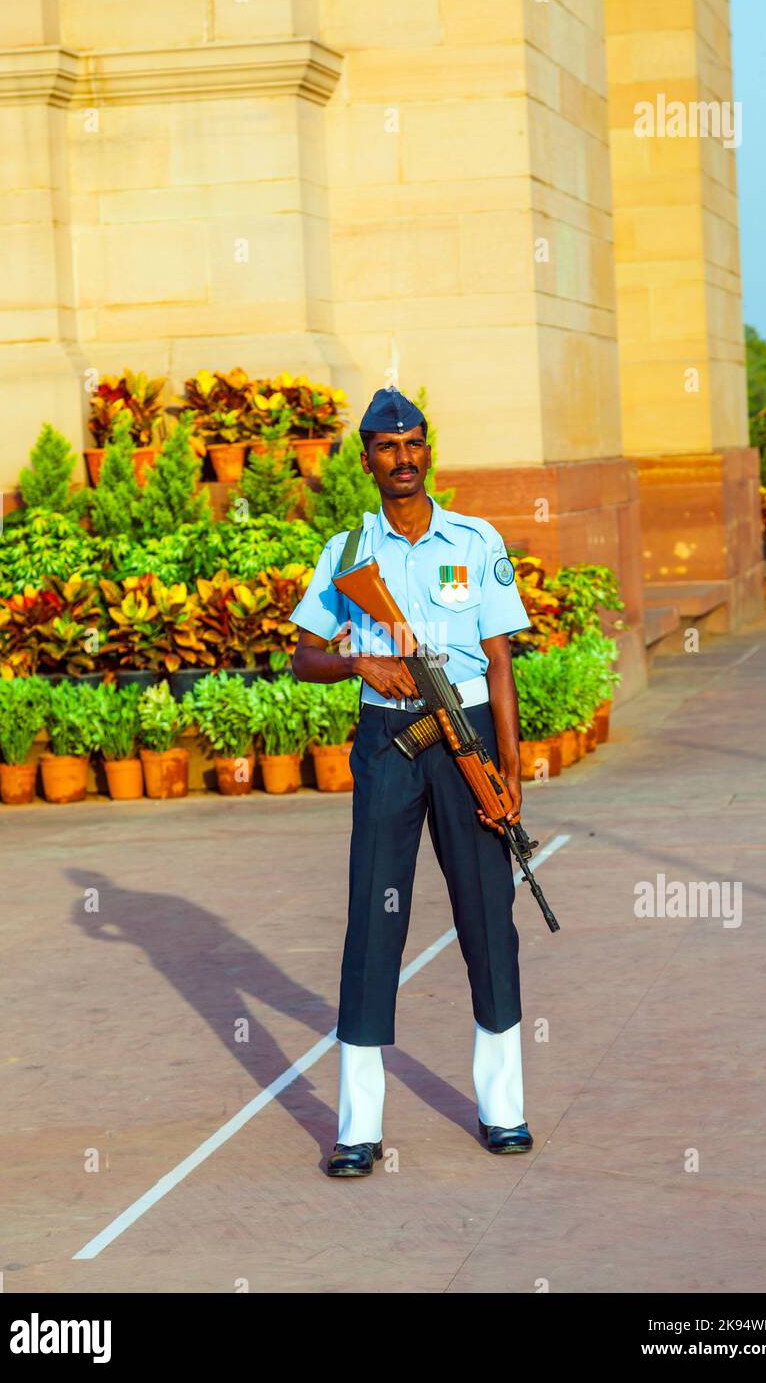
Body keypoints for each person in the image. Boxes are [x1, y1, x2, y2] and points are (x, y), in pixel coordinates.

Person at [290, 386, 534, 1176]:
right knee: (373, 920)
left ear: (429, 450)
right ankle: (358, 1130)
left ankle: (504, 1111)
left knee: (487, 916)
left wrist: (508, 763)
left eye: (414, 443)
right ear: (367, 461)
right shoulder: (348, 552)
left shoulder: (476, 537)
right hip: (387, 742)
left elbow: (498, 659)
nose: (403, 458)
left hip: (462, 737)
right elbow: (301, 656)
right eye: (387, 448)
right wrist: (359, 660)